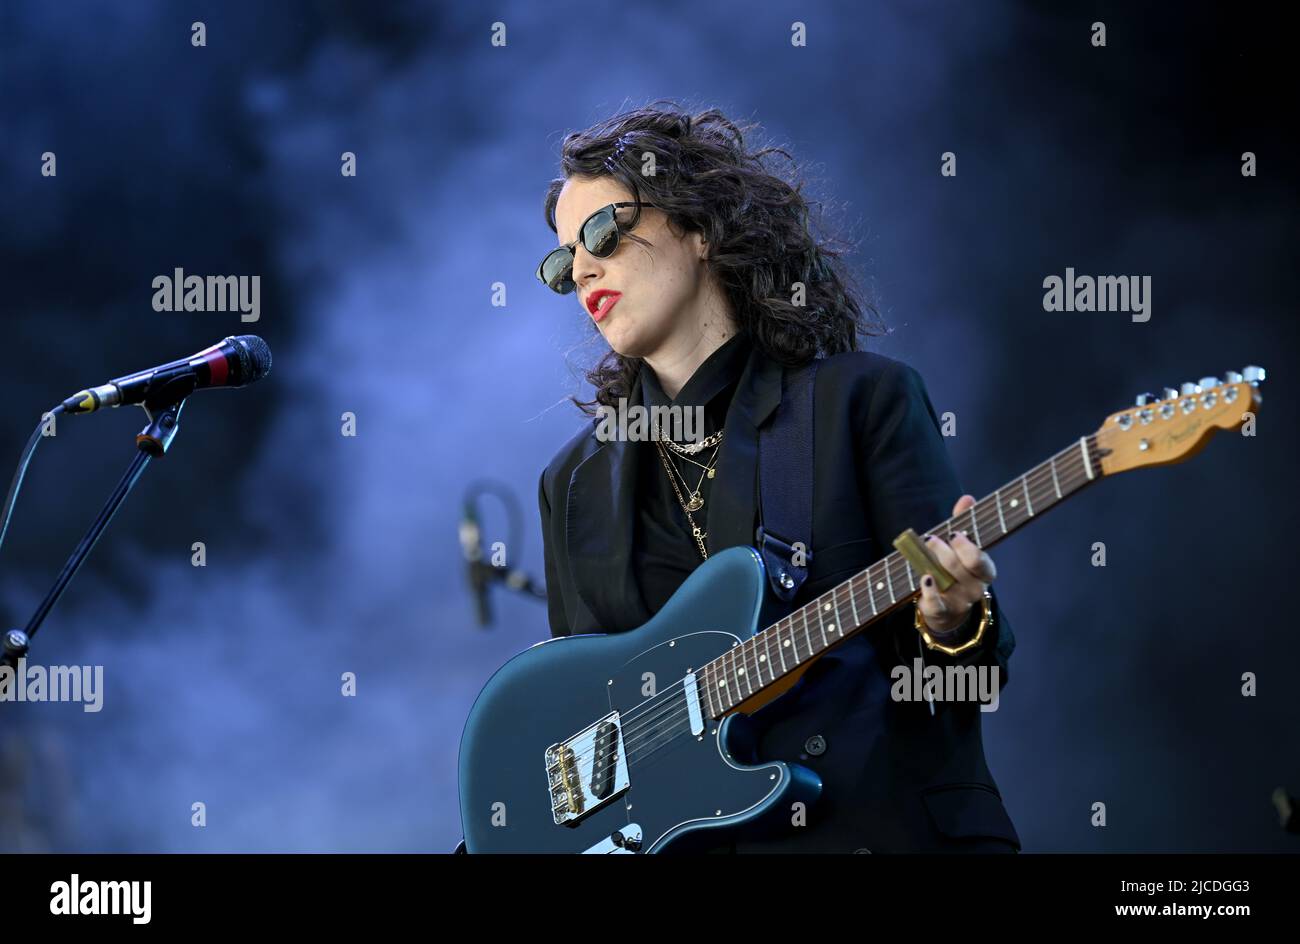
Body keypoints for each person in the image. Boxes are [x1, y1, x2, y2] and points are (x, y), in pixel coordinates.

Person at [533, 102, 1019, 853]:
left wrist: (951, 621)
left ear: (698, 230)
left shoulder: (858, 401)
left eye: (603, 232)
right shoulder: (573, 486)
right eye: (565, 264)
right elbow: (587, 730)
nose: (586, 268)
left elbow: (967, 684)